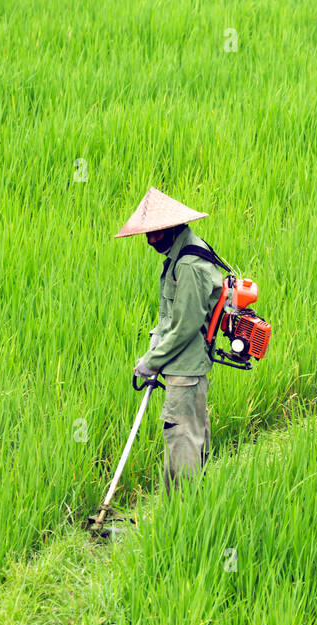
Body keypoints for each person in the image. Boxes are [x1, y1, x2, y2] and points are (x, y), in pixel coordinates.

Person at [114, 188, 227, 484]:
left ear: (173, 226)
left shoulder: (188, 264)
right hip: (183, 366)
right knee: (185, 437)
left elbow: (186, 326)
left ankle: (183, 514)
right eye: (147, 234)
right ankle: (180, 513)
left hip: (185, 371)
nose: (151, 240)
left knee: (183, 441)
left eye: (156, 233)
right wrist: (157, 339)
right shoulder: (180, 253)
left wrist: (151, 360)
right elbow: (173, 317)